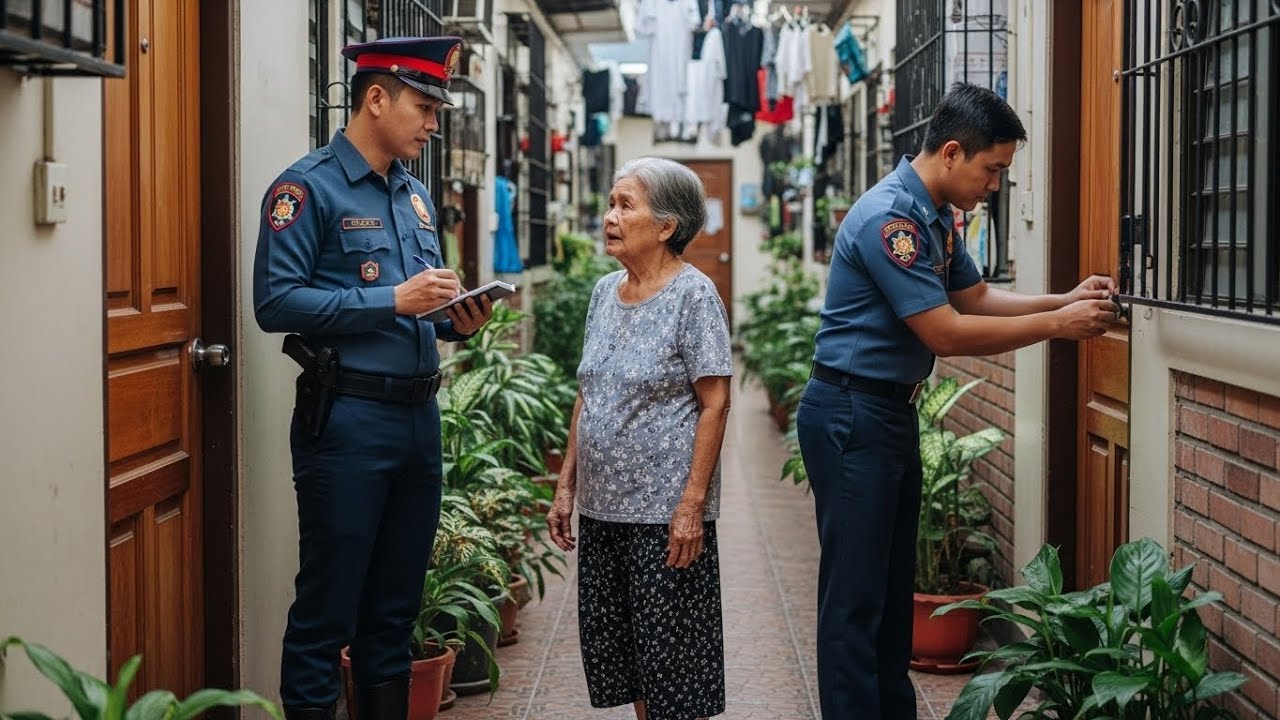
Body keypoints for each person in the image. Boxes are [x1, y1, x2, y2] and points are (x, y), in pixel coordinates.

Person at [796, 82, 1119, 720]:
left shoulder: (935, 213)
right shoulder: (893, 219)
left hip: (885, 413)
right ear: (950, 152)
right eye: (992, 169)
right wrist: (1058, 328)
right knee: (856, 600)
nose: (995, 185)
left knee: (889, 590)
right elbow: (944, 330)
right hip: (851, 415)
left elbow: (973, 299)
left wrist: (1064, 298)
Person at [252, 35, 494, 720]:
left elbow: (425, 310)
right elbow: (275, 303)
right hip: (349, 421)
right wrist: (392, 299)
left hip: (417, 423)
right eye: (424, 106)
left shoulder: (415, 199)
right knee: (328, 612)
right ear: (377, 98)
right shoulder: (307, 189)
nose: (433, 122)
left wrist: (456, 320)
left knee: (393, 616)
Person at [544, 157, 733, 720]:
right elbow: (589, 392)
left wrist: (692, 506)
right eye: (611, 203)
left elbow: (716, 403)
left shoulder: (694, 297)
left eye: (626, 205)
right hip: (604, 513)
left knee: (672, 665)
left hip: (662, 516)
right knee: (628, 661)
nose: (610, 216)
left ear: (667, 225)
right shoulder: (605, 292)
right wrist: (566, 485)